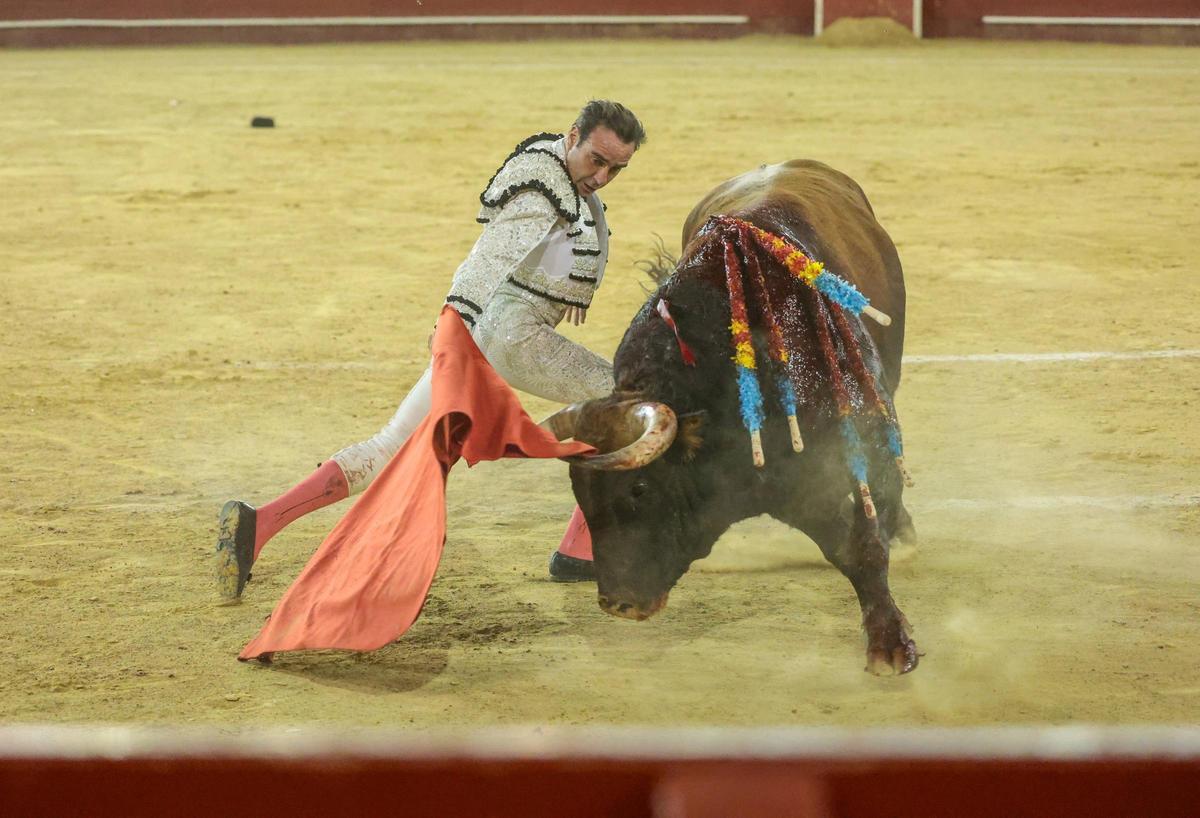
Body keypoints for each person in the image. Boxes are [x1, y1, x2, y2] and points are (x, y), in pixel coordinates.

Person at [215, 100, 646, 602]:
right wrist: (454, 319)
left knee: (389, 445)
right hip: (511, 335)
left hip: (488, 331)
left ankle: (257, 524)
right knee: (627, 404)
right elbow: (487, 260)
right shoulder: (541, 186)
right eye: (598, 160)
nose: (604, 175)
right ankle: (581, 549)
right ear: (573, 137)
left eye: (617, 168)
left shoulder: (554, 166)